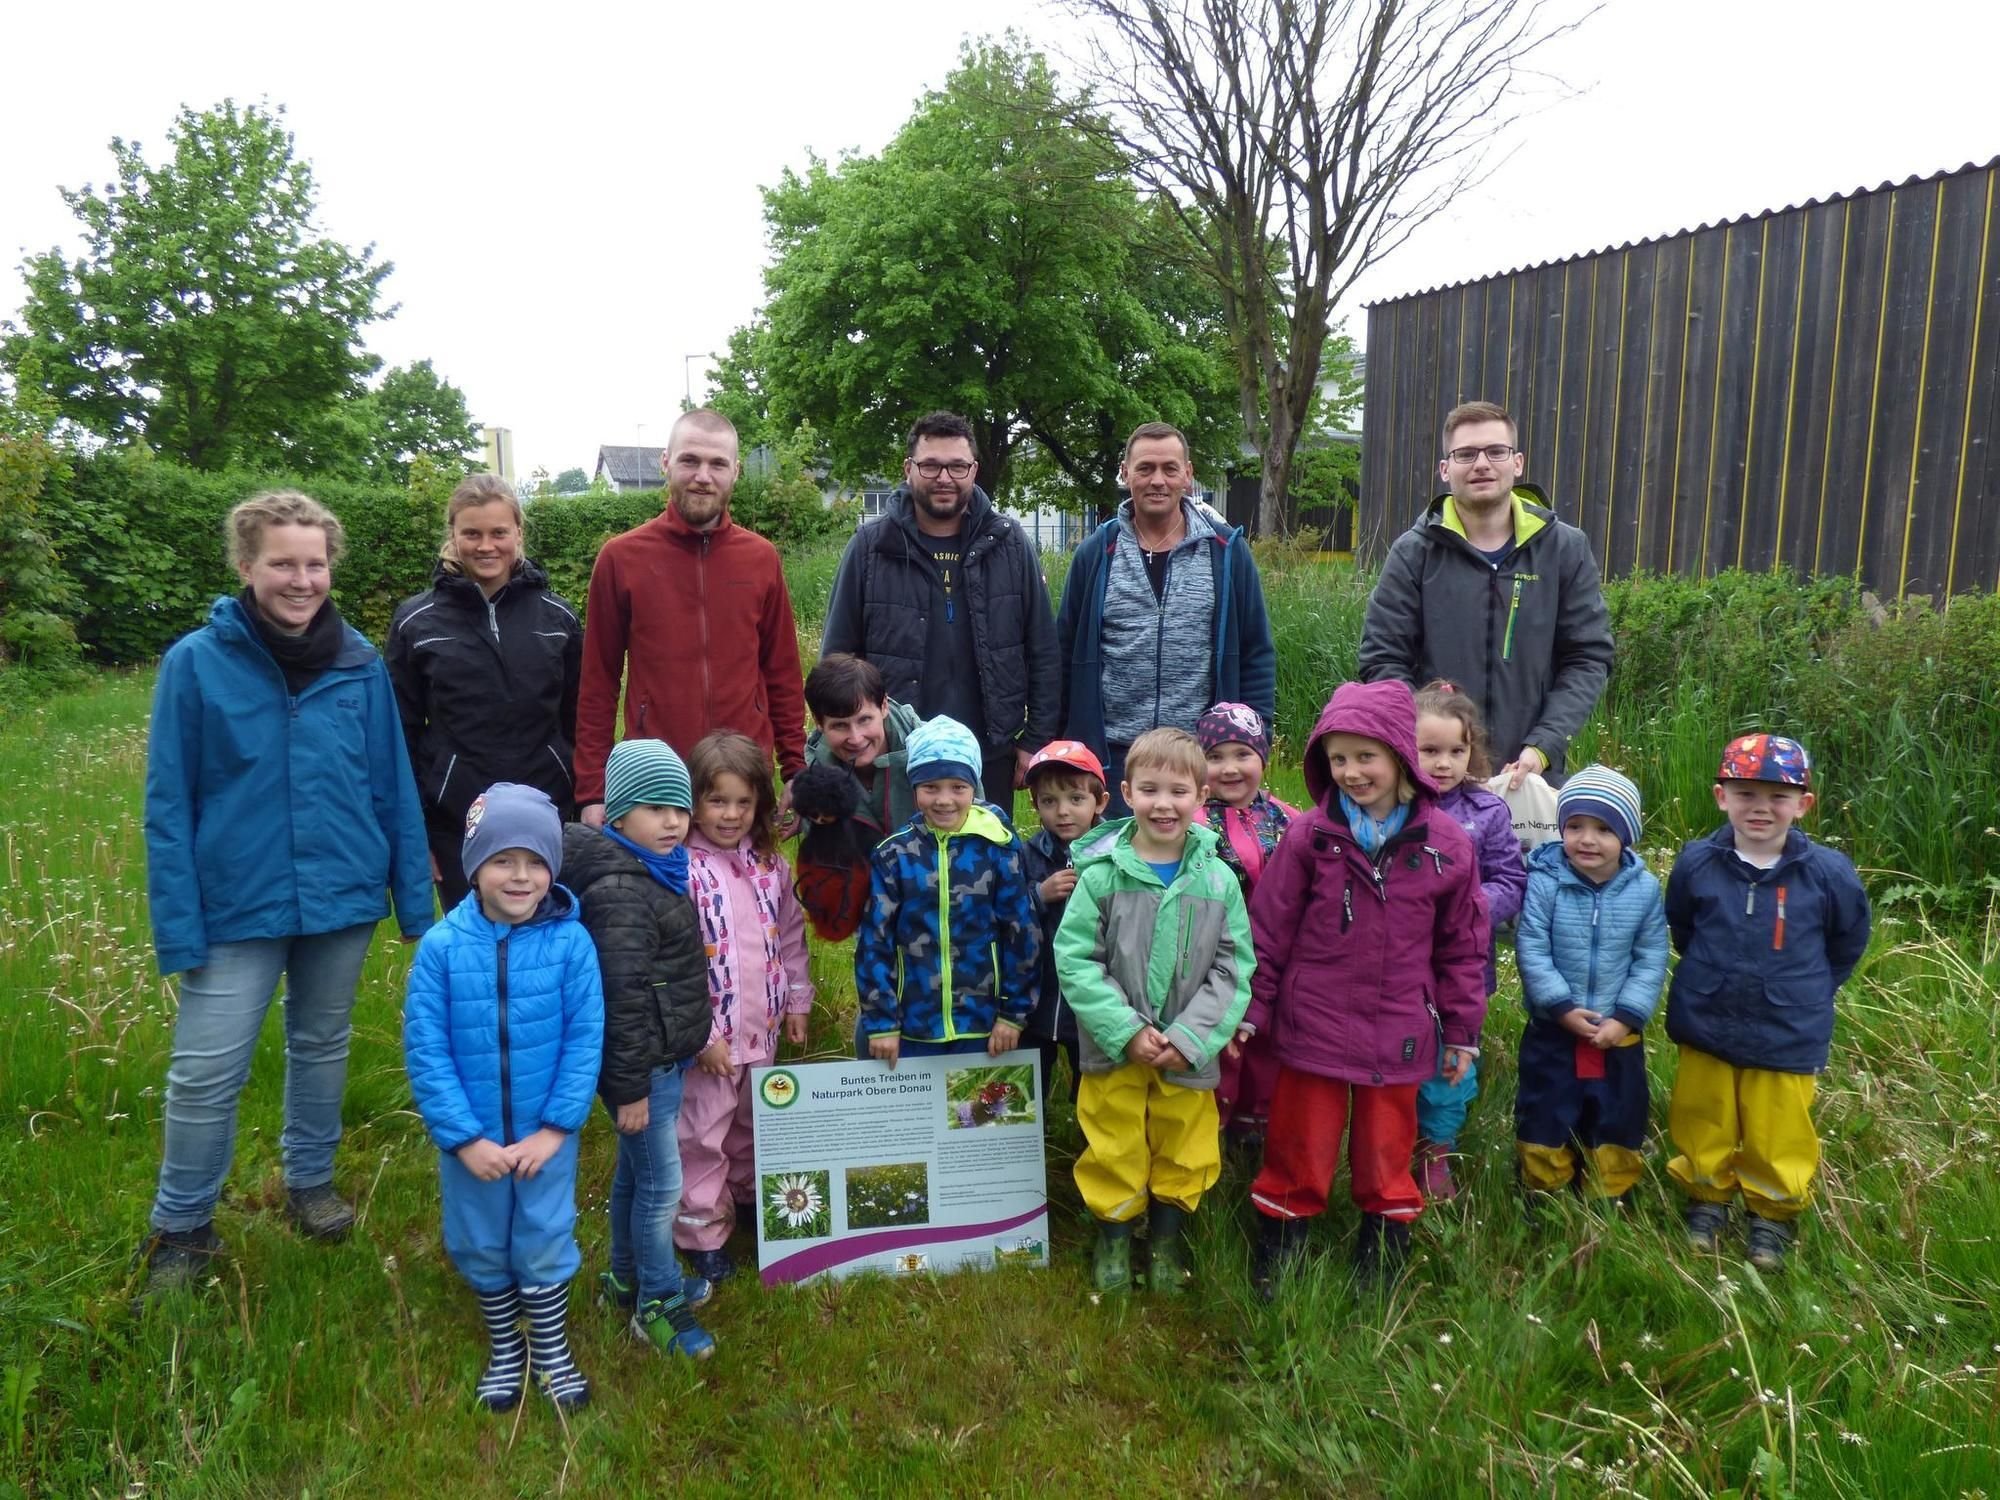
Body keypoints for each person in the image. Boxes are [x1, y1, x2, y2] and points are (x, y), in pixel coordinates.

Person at [141, 491, 434, 1293]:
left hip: (340, 895)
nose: (302, 580)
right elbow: (167, 806)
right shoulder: (195, 665)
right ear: (246, 566)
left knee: (320, 1043)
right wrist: (178, 925)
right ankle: (182, 1227)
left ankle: (308, 1182)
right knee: (206, 1071)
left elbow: (391, 787)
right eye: (283, 563)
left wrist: (414, 904)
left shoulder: (362, 663)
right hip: (235, 902)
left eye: (315, 563)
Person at [1243, 680, 1489, 1299]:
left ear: (1402, 755)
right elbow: (1268, 929)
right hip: (1313, 1018)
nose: (1351, 772)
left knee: (1387, 1148)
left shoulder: (1446, 846)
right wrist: (1254, 1008)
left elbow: (1463, 947)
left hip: (1399, 1025)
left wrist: (1461, 1031)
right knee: (1301, 1139)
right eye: (1337, 758)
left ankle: (1383, 1240)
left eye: (1365, 756)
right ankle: (1285, 1235)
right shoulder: (1310, 836)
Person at [402, 784, 604, 1412]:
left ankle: (548, 1348)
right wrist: (462, 1138)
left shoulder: (572, 944)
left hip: (546, 1136)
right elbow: (427, 1051)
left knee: (544, 1232)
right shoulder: (441, 950)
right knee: (479, 1238)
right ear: (473, 868)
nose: (520, 877)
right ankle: (505, 1347)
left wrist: (556, 1129)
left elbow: (583, 1039)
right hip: (474, 1139)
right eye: (502, 861)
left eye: (536, 862)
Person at [1055, 728, 1253, 1294]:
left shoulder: (1218, 880)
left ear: (1201, 797)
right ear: (1124, 793)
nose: (1163, 804)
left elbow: (1233, 966)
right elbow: (1076, 960)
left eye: (1178, 791)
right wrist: (1126, 1030)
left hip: (1187, 1054)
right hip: (1113, 1047)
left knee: (1185, 1142)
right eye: (1149, 790)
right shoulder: (1101, 876)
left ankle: (1166, 1239)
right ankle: (1114, 1236)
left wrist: (1189, 1037)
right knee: (1113, 1139)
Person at [1663, 734, 1871, 1271]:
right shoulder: (1696, 863)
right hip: (1706, 1017)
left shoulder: (1828, 873)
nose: (1761, 808)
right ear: (1720, 796)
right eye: (1746, 793)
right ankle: (1707, 1198)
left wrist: (1811, 990)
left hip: (1788, 1028)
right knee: (1702, 1115)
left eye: (1778, 797)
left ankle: (1772, 1214)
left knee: (1779, 1127)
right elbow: (1683, 926)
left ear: (1804, 804)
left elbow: (1847, 941)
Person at [1357, 400, 1614, 787]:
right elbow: (1382, 660)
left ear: (1517, 463)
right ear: (1446, 469)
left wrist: (1543, 746)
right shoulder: (1414, 553)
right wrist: (1433, 746)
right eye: (1465, 454)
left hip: (1534, 775)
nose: (1481, 464)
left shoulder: (1565, 549)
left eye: (1496, 451)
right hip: (1436, 779)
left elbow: (1588, 658)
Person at [573, 408, 808, 821]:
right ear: (666, 462)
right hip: (656, 775)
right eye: (690, 460)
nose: (703, 475)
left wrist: (795, 769)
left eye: (717, 464)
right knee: (663, 887)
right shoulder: (622, 558)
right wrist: (593, 790)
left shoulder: (761, 558)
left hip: (742, 776)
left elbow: (782, 672)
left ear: (735, 471)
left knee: (750, 886)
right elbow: (598, 680)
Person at [560, 740, 716, 1360]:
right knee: (660, 1185)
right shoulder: (622, 887)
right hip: (642, 1068)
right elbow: (621, 999)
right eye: (655, 808)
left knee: (635, 1173)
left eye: (679, 807)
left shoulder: (653, 870)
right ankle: (658, 1301)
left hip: (659, 1060)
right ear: (618, 815)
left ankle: (625, 1278)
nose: (673, 822)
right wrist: (627, 1089)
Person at [821, 411, 1060, 806]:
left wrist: (1035, 740)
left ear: (974, 470)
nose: (944, 478)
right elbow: (838, 658)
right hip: (894, 753)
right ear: (908, 468)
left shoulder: (1011, 545)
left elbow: (1044, 652)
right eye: (930, 465)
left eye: (957, 466)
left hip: (989, 753)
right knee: (901, 865)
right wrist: (855, 740)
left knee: (984, 864)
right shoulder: (869, 548)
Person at [1056, 422, 1277, 813]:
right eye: (1145, 468)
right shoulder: (1096, 554)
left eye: (1169, 469)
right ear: (1125, 473)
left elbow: (1257, 651)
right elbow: (1062, 653)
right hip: (1112, 758)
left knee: (1200, 872)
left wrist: (1255, 738)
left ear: (1188, 475)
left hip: (1201, 756)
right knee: (1115, 871)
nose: (1157, 480)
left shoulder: (1226, 552)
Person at [389, 474, 583, 912]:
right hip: (455, 821)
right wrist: (416, 829)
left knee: (546, 950)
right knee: (472, 954)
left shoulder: (558, 618)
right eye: (471, 533)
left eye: (499, 532)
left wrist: (583, 800)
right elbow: (400, 734)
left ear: (518, 533)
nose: (486, 545)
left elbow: (578, 721)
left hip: (547, 815)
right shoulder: (416, 622)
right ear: (453, 536)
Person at [676, 731, 815, 1285]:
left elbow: (790, 938)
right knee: (702, 1133)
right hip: (710, 1041)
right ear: (693, 802)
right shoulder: (681, 869)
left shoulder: (770, 867)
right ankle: (703, 1233)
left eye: (742, 802)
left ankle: (751, 1205)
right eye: (716, 800)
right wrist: (703, 1034)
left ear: (759, 804)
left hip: (764, 1029)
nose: (730, 814)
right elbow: (678, 964)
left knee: (755, 1125)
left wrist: (798, 1002)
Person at [1513, 766, 1667, 1209]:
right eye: (1575, 826)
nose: (1586, 839)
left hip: (1618, 1032)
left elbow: (1650, 956)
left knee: (1618, 1111)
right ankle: (1544, 1184)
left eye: (1603, 828)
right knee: (1545, 1107)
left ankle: (1610, 1189)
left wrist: (1627, 1016)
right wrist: (1559, 1006)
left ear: (1627, 835)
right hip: (1554, 1027)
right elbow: (1532, 946)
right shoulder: (1544, 882)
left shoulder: (1644, 890)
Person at [853, 717, 1040, 1067]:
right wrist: (881, 1023)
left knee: (980, 1116)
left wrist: (1013, 1015)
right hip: (911, 1029)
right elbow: (874, 941)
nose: (944, 800)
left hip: (986, 1028)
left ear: (974, 786)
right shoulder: (893, 856)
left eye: (958, 786)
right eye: (930, 787)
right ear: (914, 789)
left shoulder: (998, 849)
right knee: (917, 1121)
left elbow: (1022, 934)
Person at [1409, 682, 1528, 1200]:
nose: (1443, 763)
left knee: (1451, 1058)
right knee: (1400, 1052)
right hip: (1400, 965)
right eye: (1429, 751)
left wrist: (1469, 909)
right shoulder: (1390, 807)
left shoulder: (1487, 812)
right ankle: (1391, 1141)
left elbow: (1512, 879)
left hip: (1462, 967)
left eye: (1456, 751)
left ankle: (1437, 1147)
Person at [1194, 702, 1297, 1148]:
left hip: (1277, 956)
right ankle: (1210, 1129)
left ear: (1264, 758)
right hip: (1212, 957)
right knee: (1221, 1041)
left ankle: (1257, 1126)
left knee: (1267, 1042)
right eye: (1215, 757)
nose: (1229, 768)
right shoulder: (1189, 821)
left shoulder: (1290, 819)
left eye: (1243, 755)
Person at [791, 653, 925, 939]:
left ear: (885, 706)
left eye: (865, 720)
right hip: (873, 926)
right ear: (818, 722)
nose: (855, 737)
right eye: (839, 725)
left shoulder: (936, 758)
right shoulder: (815, 782)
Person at [1019, 740, 1113, 1101]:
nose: (1063, 812)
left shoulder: (1116, 857)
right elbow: (1007, 914)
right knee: (1025, 1093)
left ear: (1100, 802)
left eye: (1076, 799)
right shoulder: (1027, 855)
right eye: (1049, 801)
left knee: (1093, 1094)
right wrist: (1038, 896)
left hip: (1091, 1006)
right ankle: (1025, 1153)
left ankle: (1089, 1151)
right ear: (1035, 805)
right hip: (1035, 999)